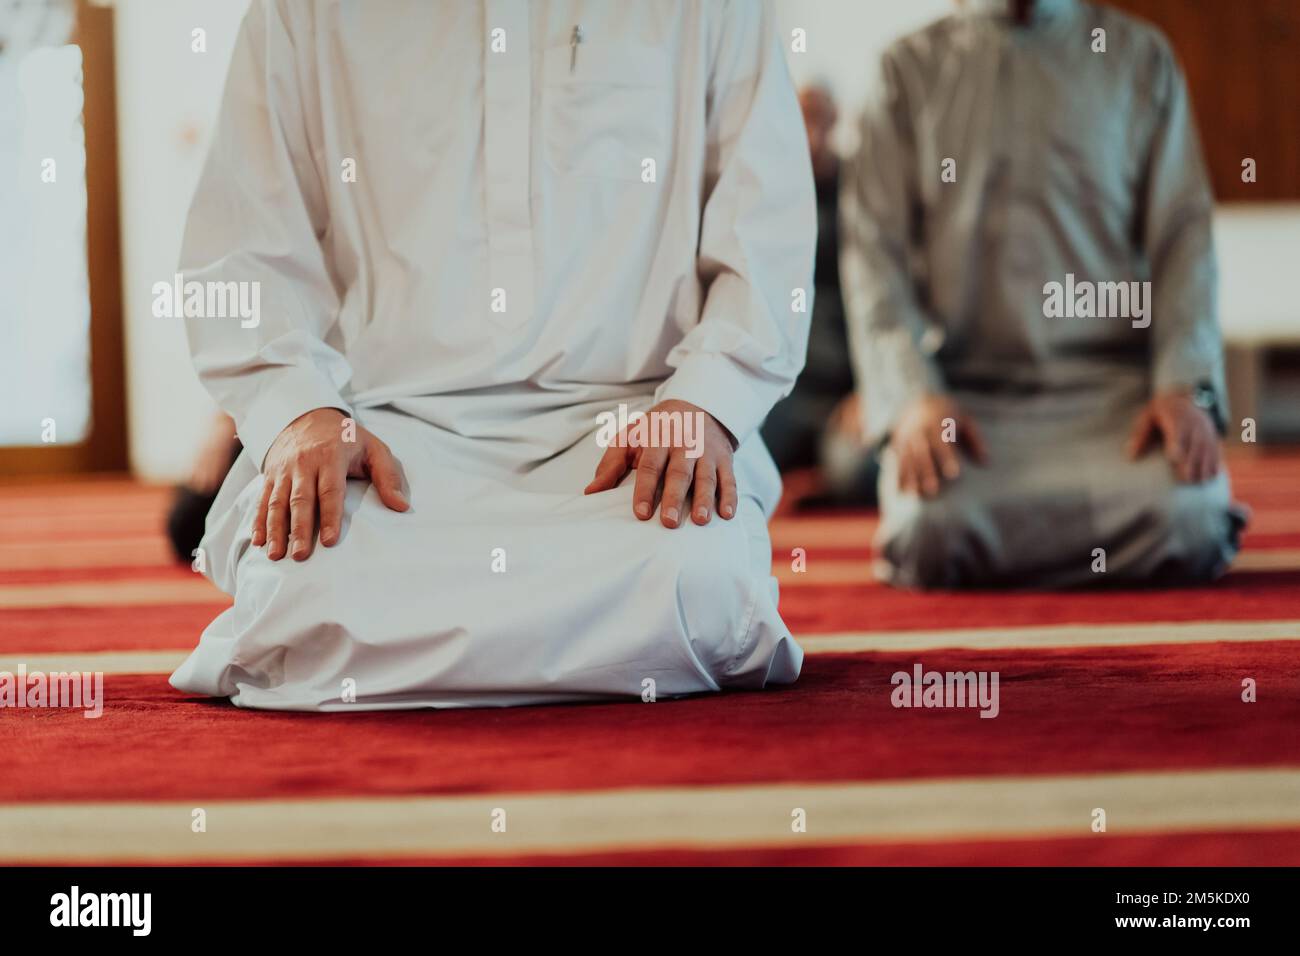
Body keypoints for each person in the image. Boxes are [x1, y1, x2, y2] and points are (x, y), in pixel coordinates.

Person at [169, 0, 815, 709]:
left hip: (633, 434)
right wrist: (301, 414)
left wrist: (704, 404)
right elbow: (241, 250)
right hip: (385, 438)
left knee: (698, 580)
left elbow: (767, 233)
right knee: (304, 587)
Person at [840, 0, 1246, 589]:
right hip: (969, 410)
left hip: (1117, 409)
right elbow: (872, 255)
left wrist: (1184, 384)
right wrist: (912, 399)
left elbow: (1183, 239)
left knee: (1192, 516)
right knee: (929, 529)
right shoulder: (904, 72)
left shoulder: (1140, 59)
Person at [761, 83, 877, 506]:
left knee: (860, 475)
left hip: (844, 399)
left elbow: (889, 299)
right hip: (777, 394)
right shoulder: (761, 196)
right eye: (801, 117)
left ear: (836, 120)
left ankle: (820, 486)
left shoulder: (865, 195)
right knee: (723, 461)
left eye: (819, 118)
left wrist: (872, 390)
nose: (811, 133)